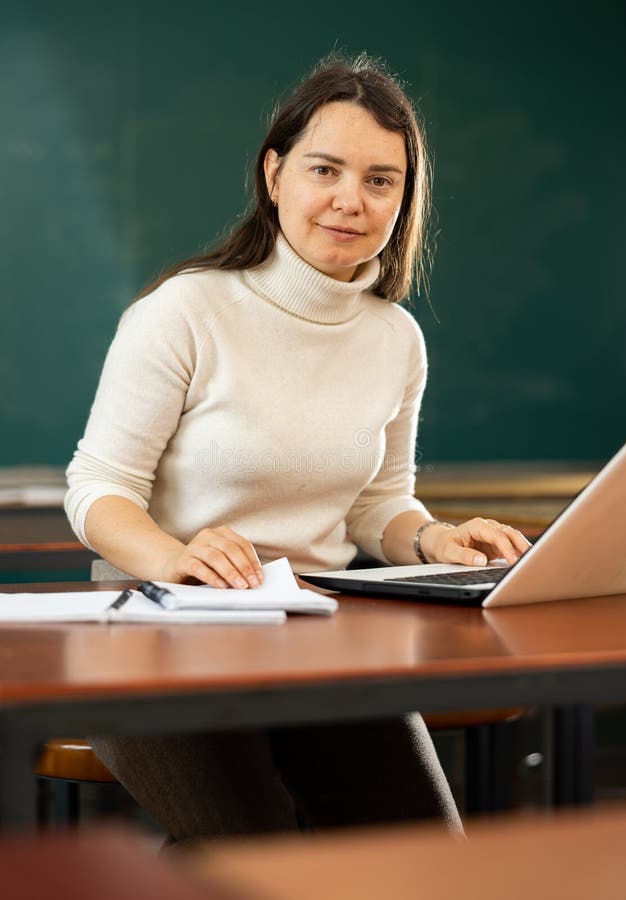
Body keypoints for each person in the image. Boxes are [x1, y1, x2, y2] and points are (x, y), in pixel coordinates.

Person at [65, 52, 530, 845]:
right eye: (326, 169)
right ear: (274, 174)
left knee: (425, 859)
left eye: (382, 180)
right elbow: (97, 489)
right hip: (154, 634)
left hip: (316, 632)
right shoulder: (184, 311)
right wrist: (173, 557)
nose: (351, 200)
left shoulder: (396, 339)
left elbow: (378, 504)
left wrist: (434, 537)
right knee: (259, 850)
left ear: (404, 199)